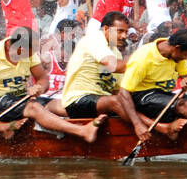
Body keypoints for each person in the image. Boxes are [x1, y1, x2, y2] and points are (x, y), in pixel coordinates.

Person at [0, 26, 106, 143]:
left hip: (19, 99)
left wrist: (40, 87)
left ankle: (100, 116)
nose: (32, 56)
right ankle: (82, 131)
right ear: (18, 48)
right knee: (34, 107)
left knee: (58, 105)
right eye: (29, 53)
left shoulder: (28, 50)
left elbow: (43, 79)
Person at [50, 11, 151, 139]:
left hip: (100, 102)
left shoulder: (116, 53)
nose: (124, 36)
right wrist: (144, 61)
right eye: (119, 31)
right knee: (117, 102)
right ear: (106, 29)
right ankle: (150, 128)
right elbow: (113, 65)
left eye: (126, 32)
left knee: (131, 102)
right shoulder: (94, 38)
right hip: (77, 101)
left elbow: (118, 91)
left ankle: (152, 126)